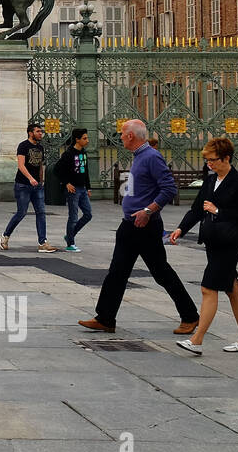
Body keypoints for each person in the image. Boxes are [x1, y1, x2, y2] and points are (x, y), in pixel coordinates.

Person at [79, 118, 199, 335]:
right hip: (130, 225)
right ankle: (105, 318)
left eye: (122, 134)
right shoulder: (140, 156)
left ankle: (190, 316)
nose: (121, 137)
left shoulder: (151, 157)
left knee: (161, 272)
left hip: (145, 226)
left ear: (131, 136)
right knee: (117, 272)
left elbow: (169, 188)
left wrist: (148, 211)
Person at [170, 137, 238, 354]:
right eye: (207, 161)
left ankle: (197, 339)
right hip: (213, 240)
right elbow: (197, 209)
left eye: (213, 160)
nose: (209, 164)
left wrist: (218, 211)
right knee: (232, 289)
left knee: (208, 288)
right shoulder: (210, 181)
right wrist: (181, 229)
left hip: (231, 241)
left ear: (226, 158)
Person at [0, 123, 58, 252]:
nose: (40, 133)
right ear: (30, 133)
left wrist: (41, 181)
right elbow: (21, 165)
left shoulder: (41, 148)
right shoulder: (23, 146)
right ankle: (5, 236)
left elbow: (40, 166)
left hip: (37, 186)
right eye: (37, 131)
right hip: (23, 185)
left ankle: (43, 243)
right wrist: (30, 178)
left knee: (41, 213)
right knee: (21, 212)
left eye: (41, 131)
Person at [55, 128, 93, 251]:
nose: (87, 140)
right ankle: (70, 244)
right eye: (84, 138)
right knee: (73, 216)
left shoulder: (83, 152)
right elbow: (57, 170)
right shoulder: (68, 154)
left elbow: (85, 172)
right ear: (77, 139)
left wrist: (88, 187)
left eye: (87, 138)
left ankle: (70, 235)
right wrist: (66, 183)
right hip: (73, 189)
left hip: (82, 189)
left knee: (88, 214)